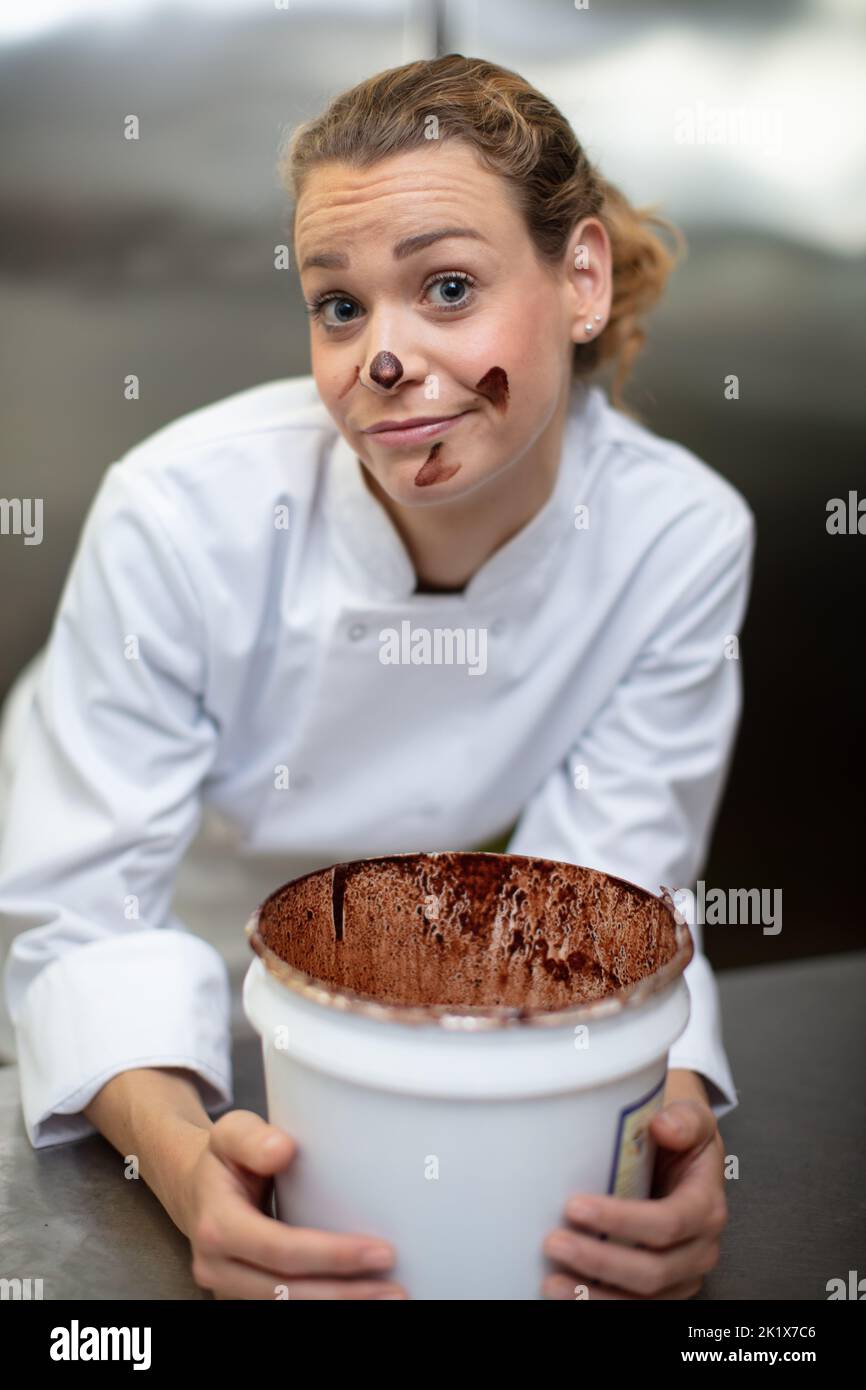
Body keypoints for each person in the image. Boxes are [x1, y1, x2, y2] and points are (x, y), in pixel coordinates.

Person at [0, 54, 754, 1300]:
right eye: (338, 305)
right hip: (149, 954)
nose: (382, 356)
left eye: (445, 287)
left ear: (578, 279)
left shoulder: (676, 537)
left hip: (407, 1001)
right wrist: (189, 1174)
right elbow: (81, 915)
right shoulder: (182, 513)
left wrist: (662, 1133)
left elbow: (612, 894)